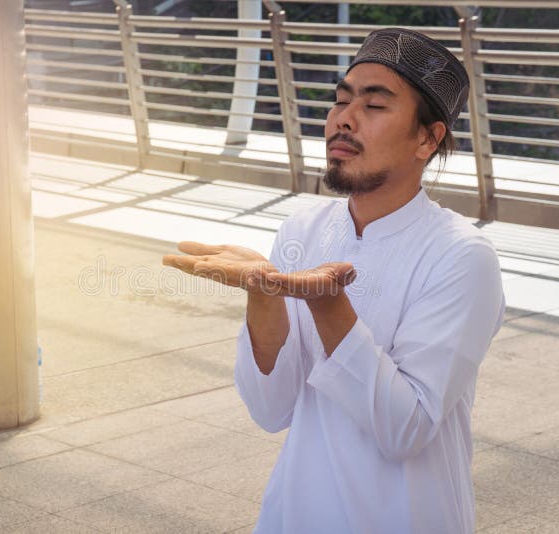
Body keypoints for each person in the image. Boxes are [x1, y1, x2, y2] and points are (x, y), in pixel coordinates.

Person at [163, 27, 505, 534]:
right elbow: (271, 410)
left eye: (374, 105)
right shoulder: (303, 229)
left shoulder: (461, 257)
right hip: (295, 512)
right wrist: (264, 293)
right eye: (341, 101)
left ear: (427, 139)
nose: (343, 118)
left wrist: (328, 305)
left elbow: (406, 429)